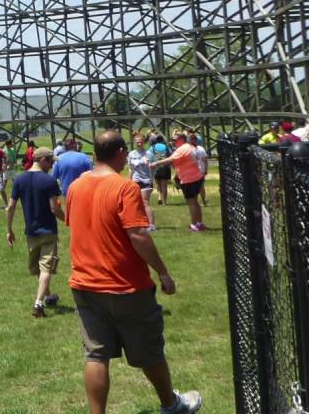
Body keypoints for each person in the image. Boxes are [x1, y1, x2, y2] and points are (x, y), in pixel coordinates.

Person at [65, 131, 201, 414]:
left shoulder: (76, 187)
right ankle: (170, 404)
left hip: (84, 284)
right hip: (125, 284)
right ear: (121, 153)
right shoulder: (125, 187)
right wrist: (163, 272)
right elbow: (138, 234)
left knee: (95, 355)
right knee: (149, 351)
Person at [6, 147, 64, 317]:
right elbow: (55, 208)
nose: (52, 165)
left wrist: (9, 230)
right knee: (45, 269)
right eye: (51, 161)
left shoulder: (19, 180)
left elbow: (10, 207)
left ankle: (48, 296)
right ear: (44, 160)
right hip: (48, 230)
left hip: (30, 232)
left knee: (39, 268)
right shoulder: (49, 181)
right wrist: (69, 219)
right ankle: (38, 304)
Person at [151, 133, 206, 231]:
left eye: (175, 139)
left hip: (189, 179)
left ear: (181, 139)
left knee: (192, 203)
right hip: (197, 177)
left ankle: (194, 225)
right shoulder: (189, 147)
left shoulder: (182, 149)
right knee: (195, 202)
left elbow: (171, 160)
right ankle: (200, 223)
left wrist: (156, 163)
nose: (173, 141)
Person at [127, 136, 157, 230]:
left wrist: (152, 177)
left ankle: (151, 225)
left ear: (144, 142)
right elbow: (131, 169)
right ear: (134, 143)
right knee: (136, 203)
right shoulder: (131, 154)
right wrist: (129, 180)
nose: (139, 144)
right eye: (137, 142)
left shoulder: (149, 154)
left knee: (145, 202)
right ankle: (140, 222)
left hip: (146, 180)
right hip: (135, 180)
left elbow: (154, 167)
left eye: (140, 142)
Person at [151, 136, 172, 206]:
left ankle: (159, 197)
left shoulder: (153, 147)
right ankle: (164, 202)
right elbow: (170, 155)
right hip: (165, 167)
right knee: (164, 186)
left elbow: (150, 155)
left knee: (158, 184)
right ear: (162, 140)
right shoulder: (166, 146)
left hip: (156, 167)